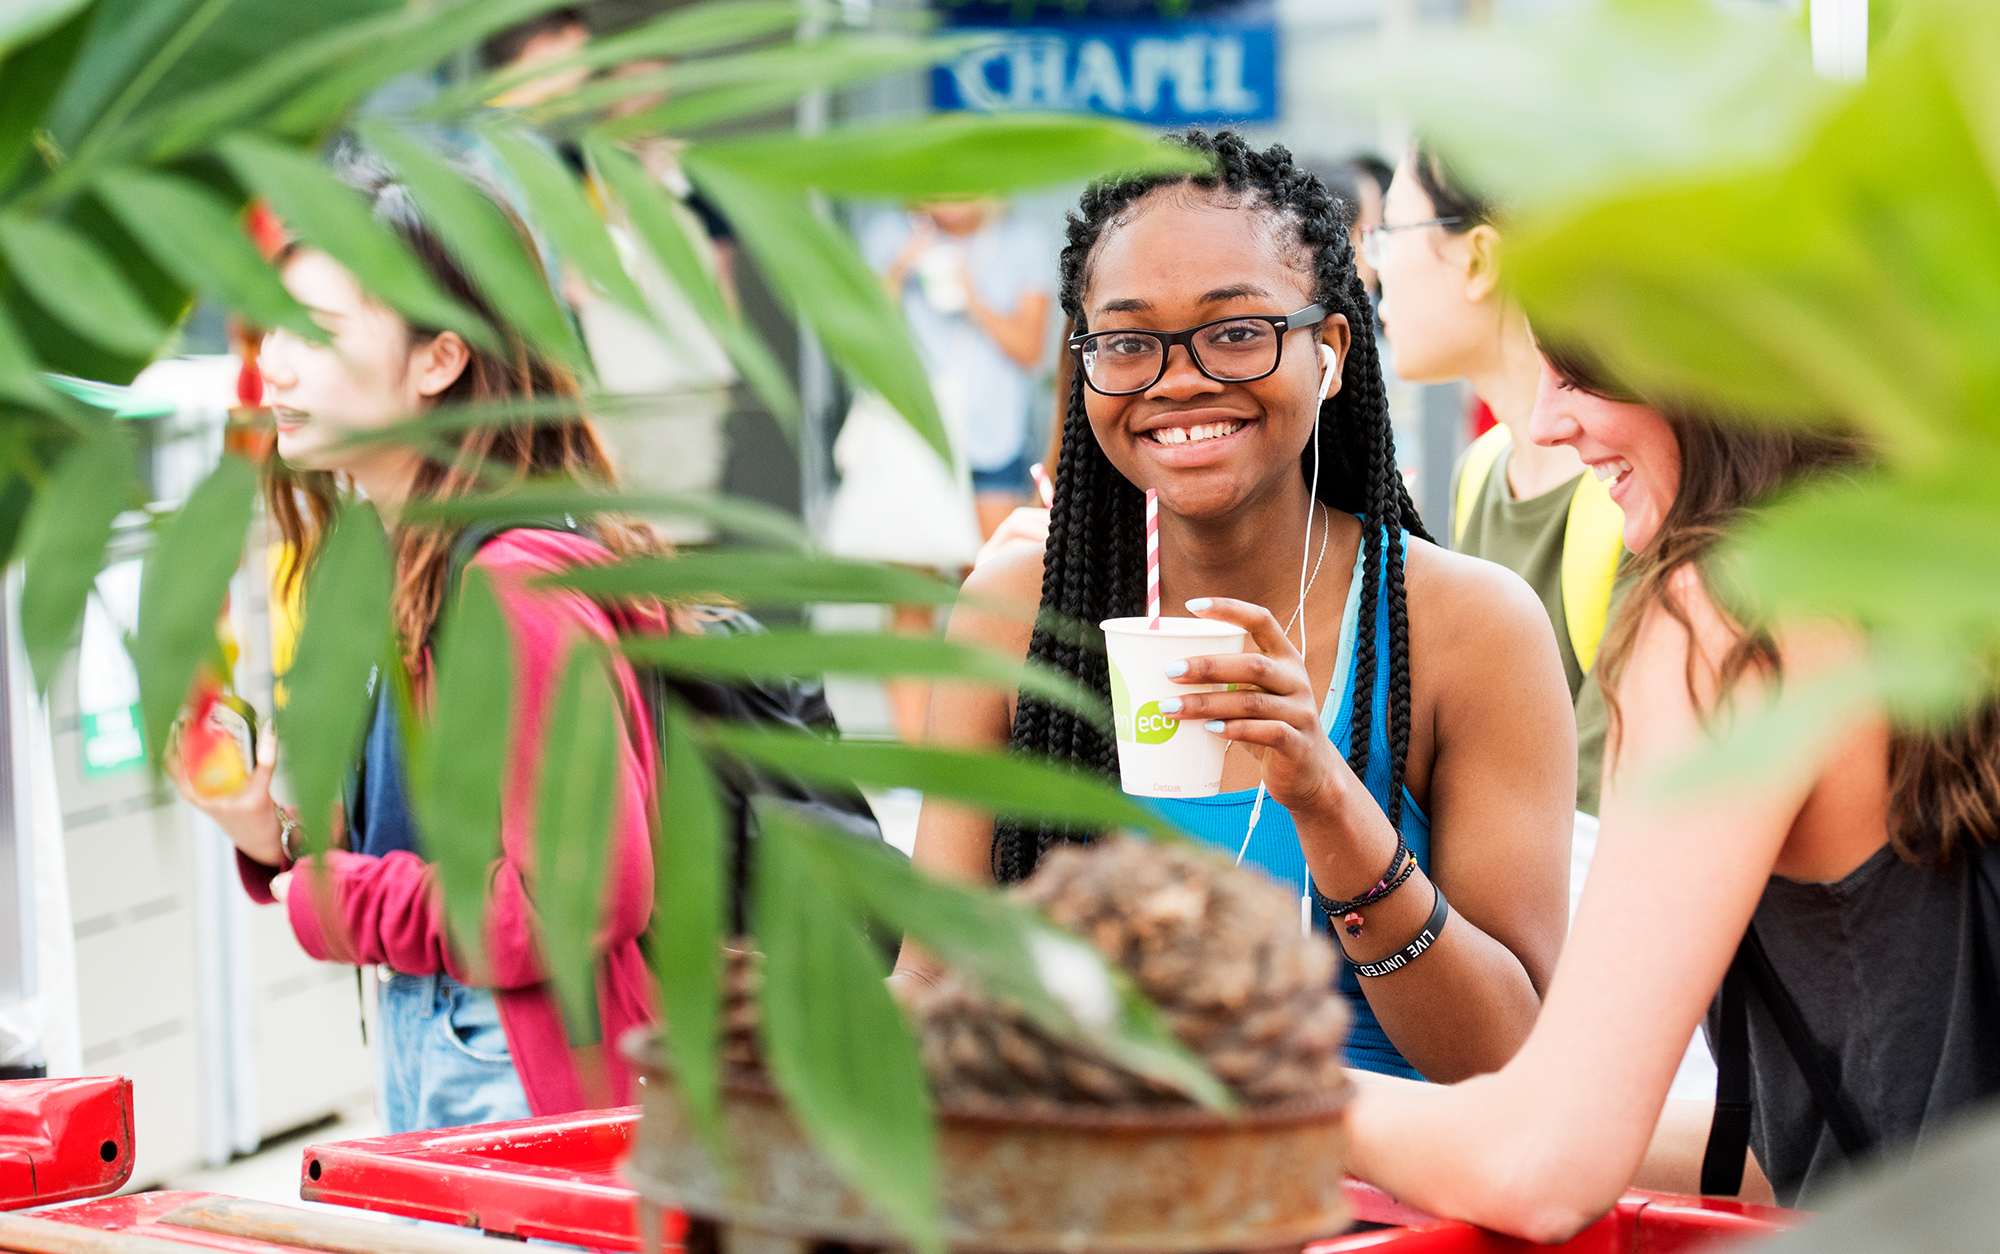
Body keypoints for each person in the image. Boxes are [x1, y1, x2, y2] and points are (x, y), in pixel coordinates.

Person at [895, 131, 1575, 1084]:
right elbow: (931, 978)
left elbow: (1509, 1059)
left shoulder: (1468, 627)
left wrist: (1330, 804)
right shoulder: (1018, 611)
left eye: (1237, 332)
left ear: (1328, 351)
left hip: (1374, 1169)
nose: (1179, 380)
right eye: (1128, 342)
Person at [1345, 345, 2000, 1232]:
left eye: (1581, 371)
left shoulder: (1729, 618)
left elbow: (1544, 1168)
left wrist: (1261, 1090)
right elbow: (1851, 1124)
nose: (1545, 421)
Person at [168, 166, 665, 1134]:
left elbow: (576, 902)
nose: (275, 364)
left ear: (439, 360)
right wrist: (274, 837)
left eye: (315, 331)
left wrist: (341, 897)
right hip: (446, 1041)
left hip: (516, 1072)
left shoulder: (509, 589)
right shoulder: (392, 558)